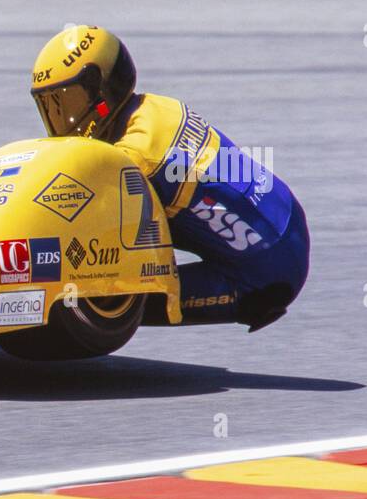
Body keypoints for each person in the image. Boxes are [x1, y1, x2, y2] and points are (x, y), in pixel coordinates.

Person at [29, 26, 309, 331]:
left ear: (103, 88)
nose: (61, 119)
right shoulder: (155, 106)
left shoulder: (137, 156)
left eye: (69, 103)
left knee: (75, 304)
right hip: (284, 210)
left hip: (266, 273)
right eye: (52, 107)